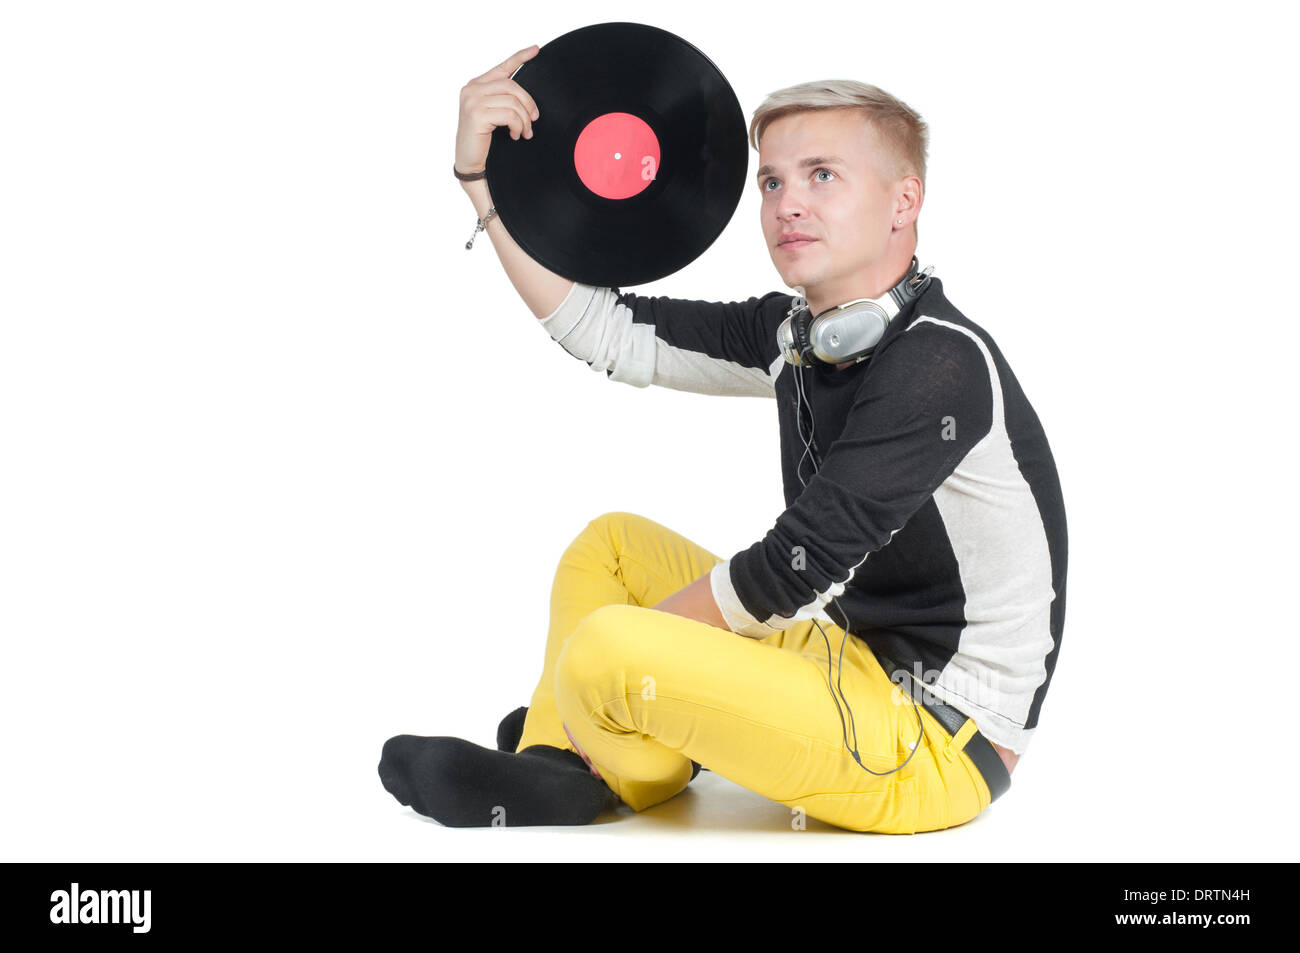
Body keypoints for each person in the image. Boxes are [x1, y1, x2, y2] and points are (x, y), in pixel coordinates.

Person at [378, 44, 1068, 833]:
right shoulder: (803, 334)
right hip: (844, 662)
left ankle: (602, 734)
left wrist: (611, 662)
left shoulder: (939, 363)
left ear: (903, 201)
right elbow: (607, 330)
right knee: (610, 548)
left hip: (932, 742)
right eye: (772, 180)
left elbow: (788, 571)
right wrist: (481, 185)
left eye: (822, 175)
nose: (786, 204)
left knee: (606, 647)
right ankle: (565, 767)